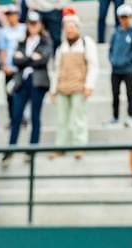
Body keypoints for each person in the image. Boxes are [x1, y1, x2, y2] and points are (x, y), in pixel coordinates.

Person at [5, 12, 52, 162]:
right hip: (22, 81)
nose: (32, 26)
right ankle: (11, 149)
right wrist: (31, 58)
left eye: (35, 23)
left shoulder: (45, 41)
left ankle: (32, 150)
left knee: (35, 116)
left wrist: (24, 59)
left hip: (37, 82)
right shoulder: (22, 41)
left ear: (40, 25)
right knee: (16, 115)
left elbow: (43, 59)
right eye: (30, 23)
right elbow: (15, 60)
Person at [50, 12, 97, 159]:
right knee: (61, 120)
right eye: (67, 28)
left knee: (79, 118)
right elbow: (56, 69)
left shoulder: (86, 43)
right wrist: (53, 89)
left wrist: (89, 84)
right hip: (63, 87)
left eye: (72, 27)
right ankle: (60, 147)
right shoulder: (61, 48)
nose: (69, 30)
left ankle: (79, 146)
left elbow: (93, 65)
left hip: (79, 86)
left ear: (78, 28)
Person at [106, 5, 132, 129]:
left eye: (126, 17)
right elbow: (111, 49)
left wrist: (126, 60)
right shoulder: (116, 33)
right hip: (116, 69)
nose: (124, 19)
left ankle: (130, 117)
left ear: (130, 17)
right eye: (122, 17)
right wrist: (113, 60)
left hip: (128, 69)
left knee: (130, 93)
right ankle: (115, 117)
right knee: (115, 94)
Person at [0, 4, 25, 110]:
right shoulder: (4, 31)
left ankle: (23, 117)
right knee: (10, 93)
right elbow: (2, 50)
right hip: (10, 68)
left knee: (23, 93)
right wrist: (5, 65)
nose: (10, 17)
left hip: (22, 67)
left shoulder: (24, 28)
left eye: (12, 14)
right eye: (8, 15)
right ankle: (12, 118)